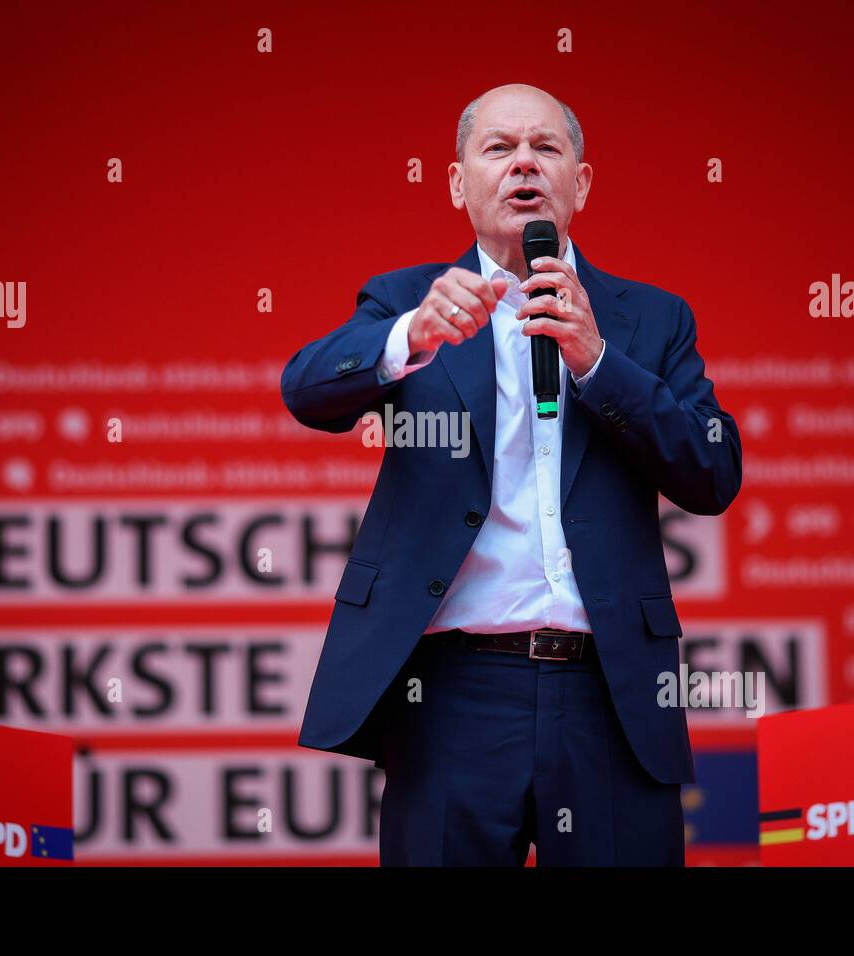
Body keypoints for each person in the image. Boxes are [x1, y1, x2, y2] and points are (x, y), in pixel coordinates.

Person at [280, 83, 742, 865]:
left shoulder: (651, 319)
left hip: (611, 697)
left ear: (581, 183)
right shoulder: (407, 299)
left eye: (545, 147)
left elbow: (712, 471)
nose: (523, 162)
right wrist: (408, 338)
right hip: (451, 695)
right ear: (459, 183)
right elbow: (307, 390)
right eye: (498, 148)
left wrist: (601, 363)